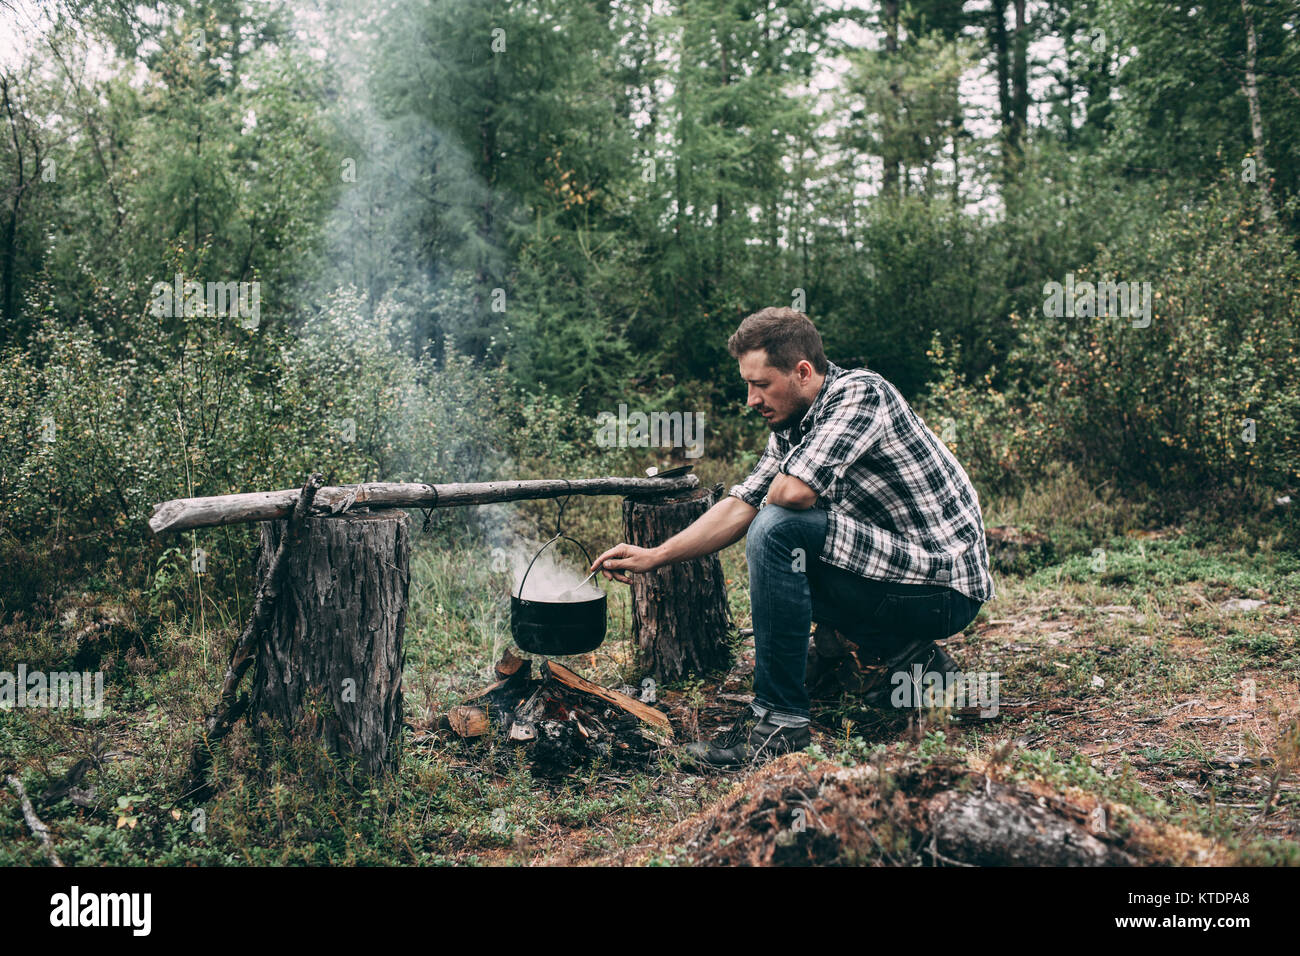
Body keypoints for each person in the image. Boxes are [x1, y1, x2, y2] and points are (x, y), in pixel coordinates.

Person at [589, 307, 994, 769]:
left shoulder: (861, 393)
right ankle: (905, 659)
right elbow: (742, 503)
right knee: (773, 525)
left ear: (803, 371)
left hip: (942, 589)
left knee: (778, 530)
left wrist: (776, 496)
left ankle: (780, 725)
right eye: (747, 384)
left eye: (761, 384)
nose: (750, 399)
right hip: (891, 577)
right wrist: (654, 556)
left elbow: (792, 494)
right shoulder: (794, 422)